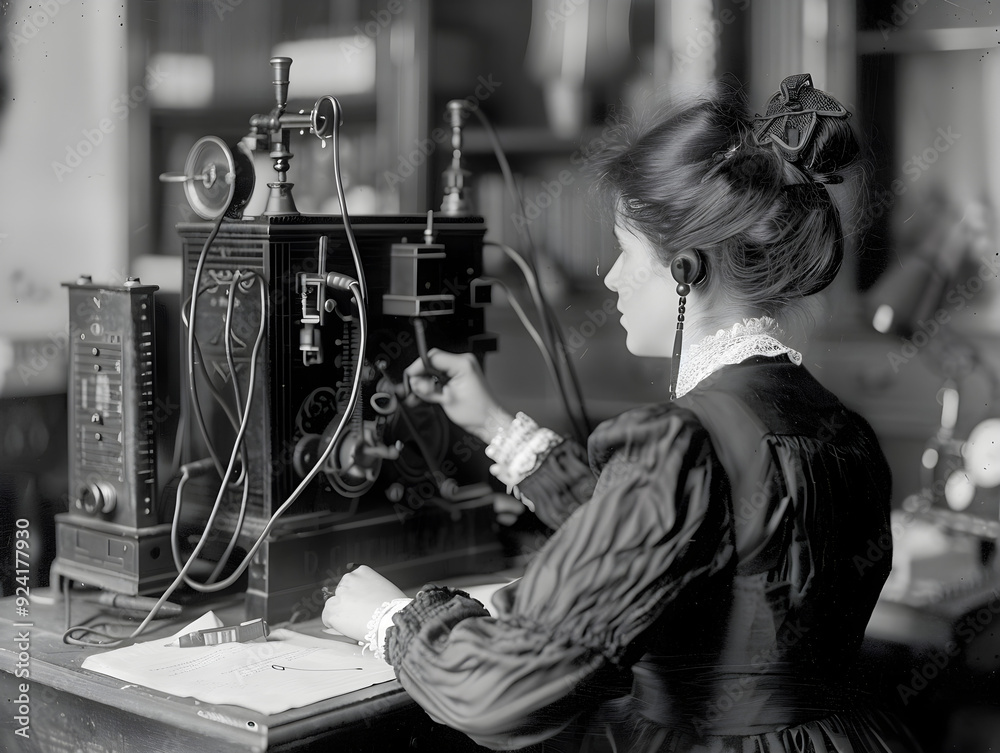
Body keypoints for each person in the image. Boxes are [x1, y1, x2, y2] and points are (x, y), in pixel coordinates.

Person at [323, 75, 920, 752]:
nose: (609, 277)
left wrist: (393, 618)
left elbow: (501, 689)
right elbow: (689, 539)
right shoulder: (842, 428)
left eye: (625, 251)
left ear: (685, 271)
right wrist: (494, 424)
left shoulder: (685, 441)